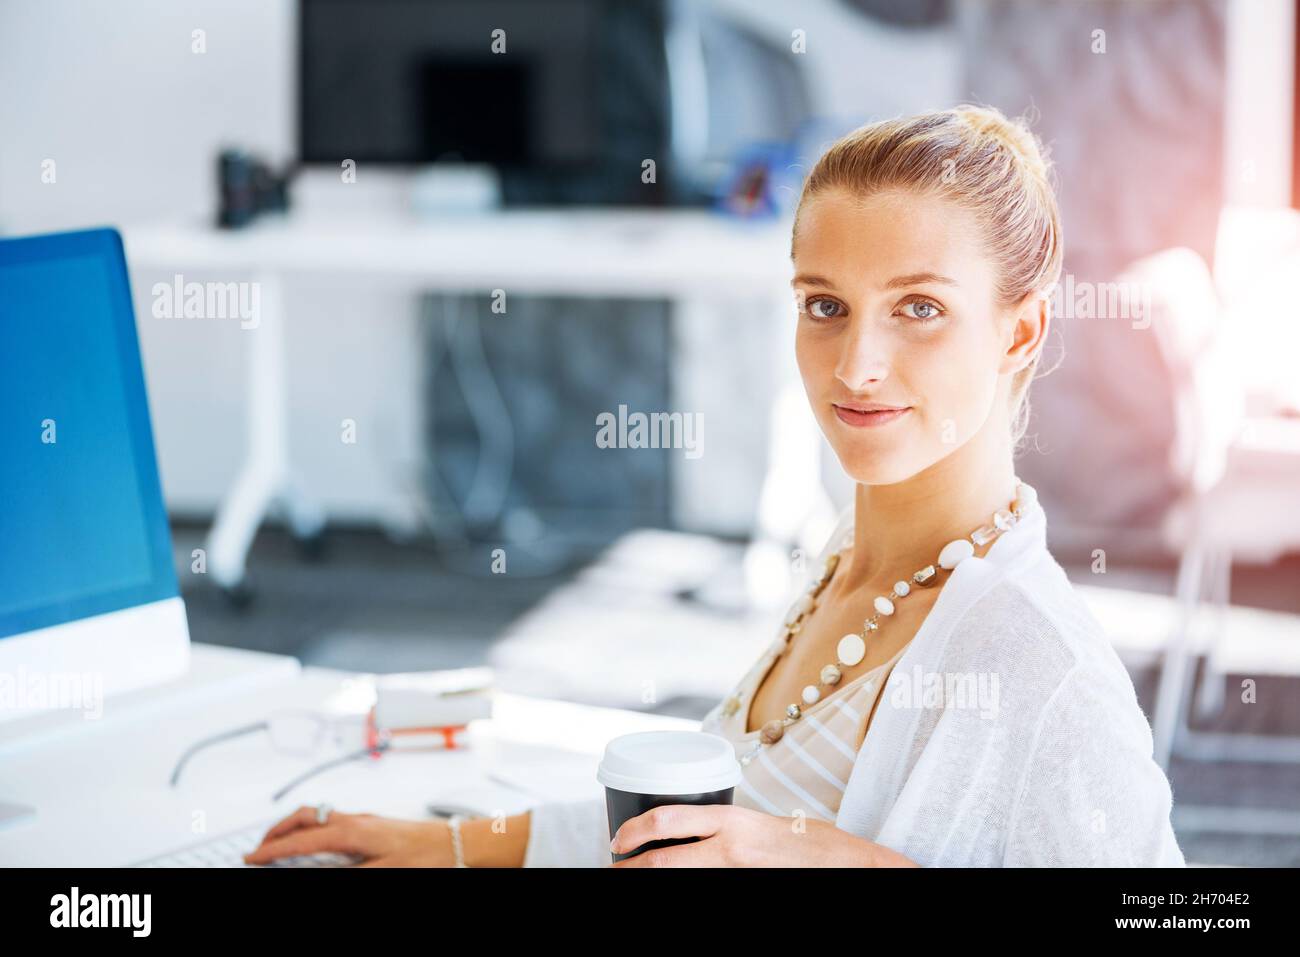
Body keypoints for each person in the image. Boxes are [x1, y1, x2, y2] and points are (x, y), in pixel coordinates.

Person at [244, 105, 1185, 868]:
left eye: (920, 309)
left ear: (1019, 334)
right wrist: (440, 844)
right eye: (826, 306)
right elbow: (690, 828)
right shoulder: (846, 568)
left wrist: (827, 861)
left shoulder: (1034, 657)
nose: (857, 363)